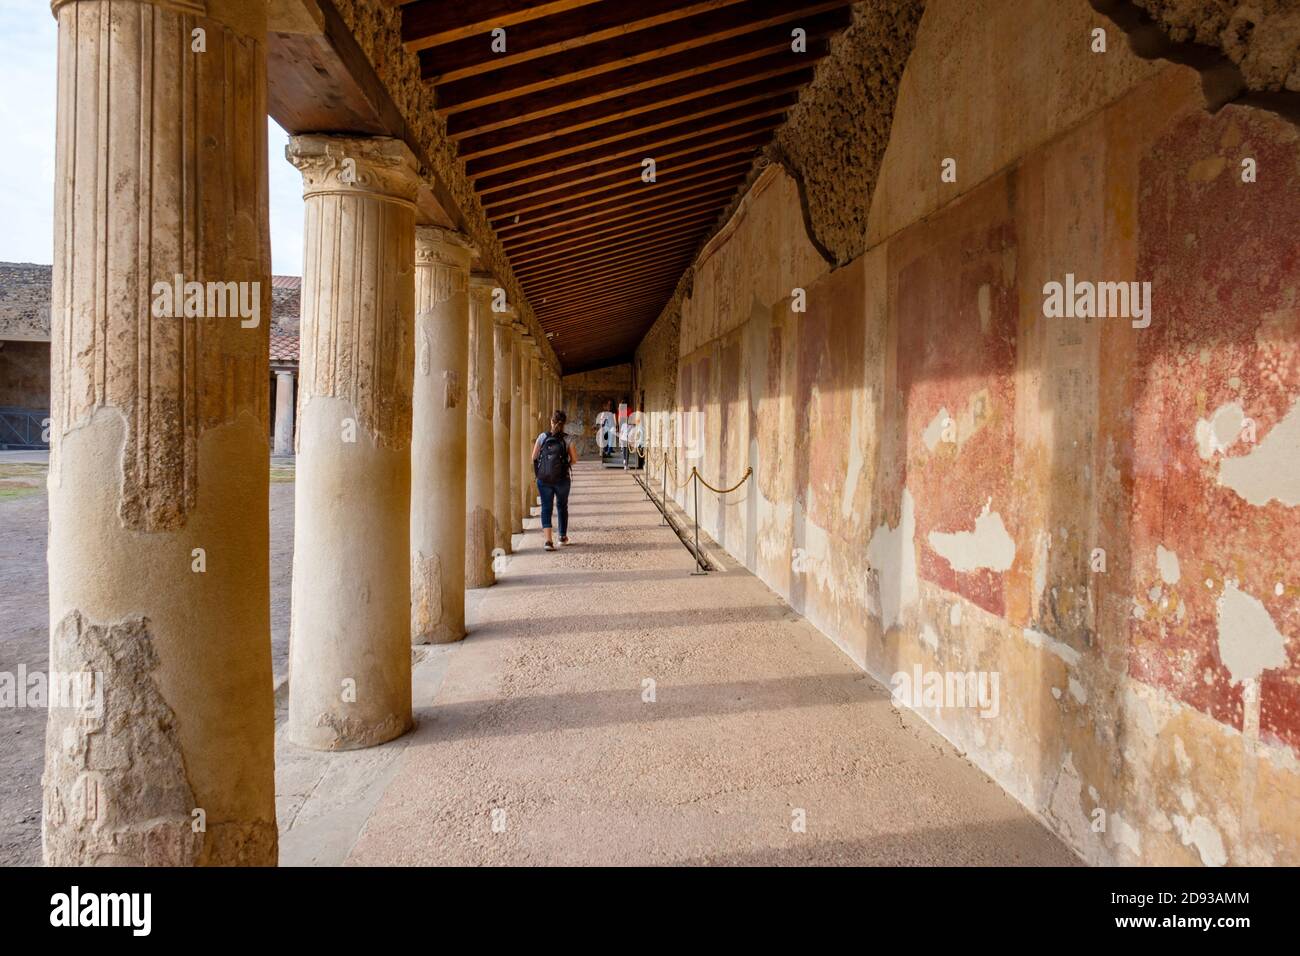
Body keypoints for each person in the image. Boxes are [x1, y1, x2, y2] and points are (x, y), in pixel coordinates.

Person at [533, 409, 579, 551]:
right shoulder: (568, 439)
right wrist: (563, 465)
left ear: (551, 422)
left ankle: (548, 541)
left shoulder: (542, 437)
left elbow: (534, 457)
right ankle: (562, 537)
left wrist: (541, 471)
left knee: (546, 508)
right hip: (562, 479)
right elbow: (574, 460)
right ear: (564, 424)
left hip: (544, 479)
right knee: (561, 506)